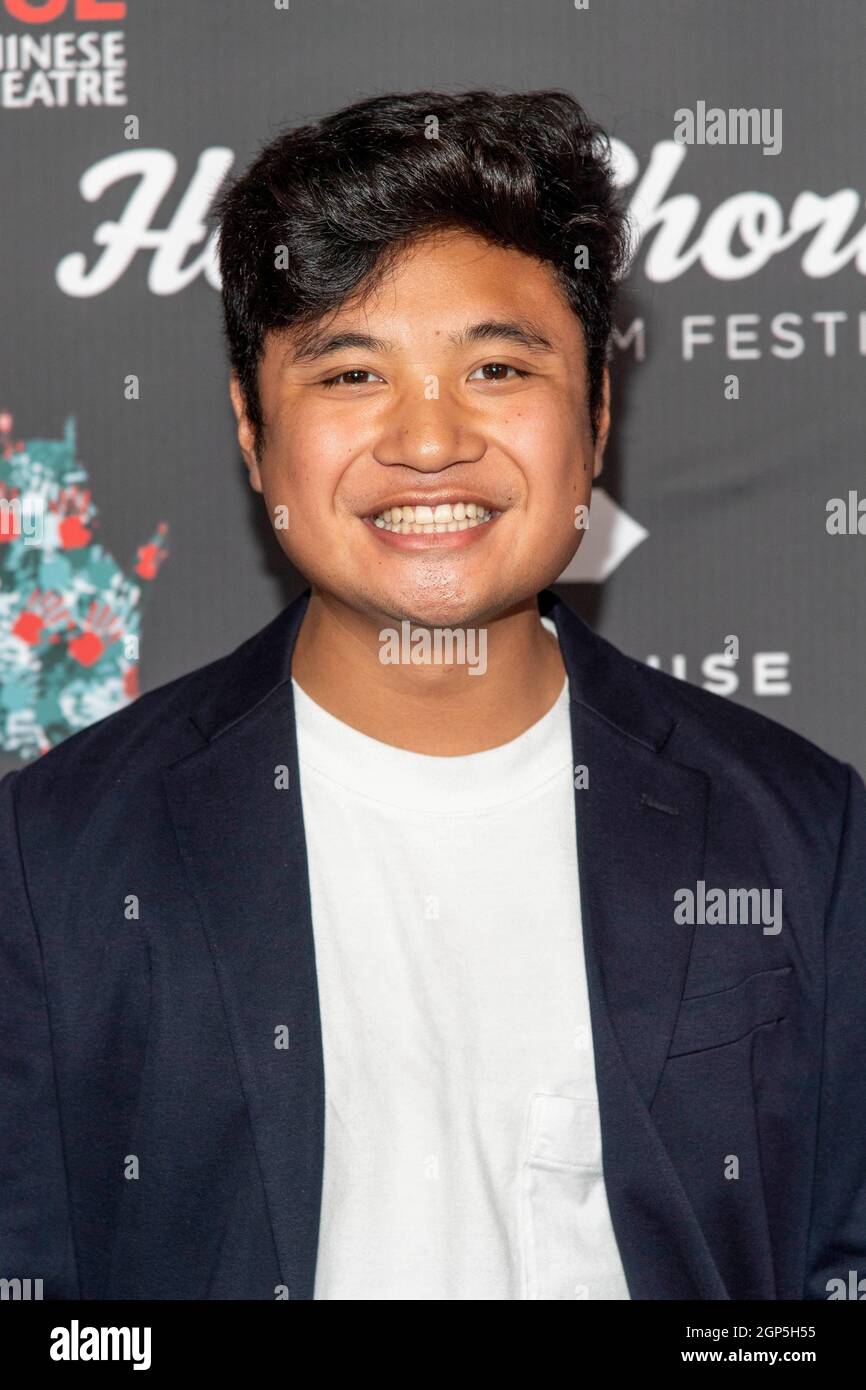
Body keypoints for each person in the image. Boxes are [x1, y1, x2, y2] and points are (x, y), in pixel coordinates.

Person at [2, 89, 864, 1301]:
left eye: (497, 366)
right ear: (252, 432)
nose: (427, 439)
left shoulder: (801, 835)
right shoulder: (56, 858)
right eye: (351, 372)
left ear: (597, 414)